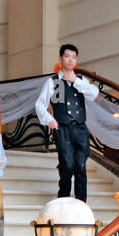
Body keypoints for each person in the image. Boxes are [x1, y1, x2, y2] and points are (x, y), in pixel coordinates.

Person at [34, 43, 99, 202]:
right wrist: (49, 119)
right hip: (62, 129)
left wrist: (76, 81)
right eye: (67, 56)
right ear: (61, 58)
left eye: (73, 57)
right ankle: (62, 200)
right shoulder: (53, 82)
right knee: (67, 166)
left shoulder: (81, 80)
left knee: (81, 168)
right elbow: (39, 104)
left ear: (76, 60)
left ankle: (81, 204)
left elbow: (94, 94)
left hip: (80, 129)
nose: (70, 60)